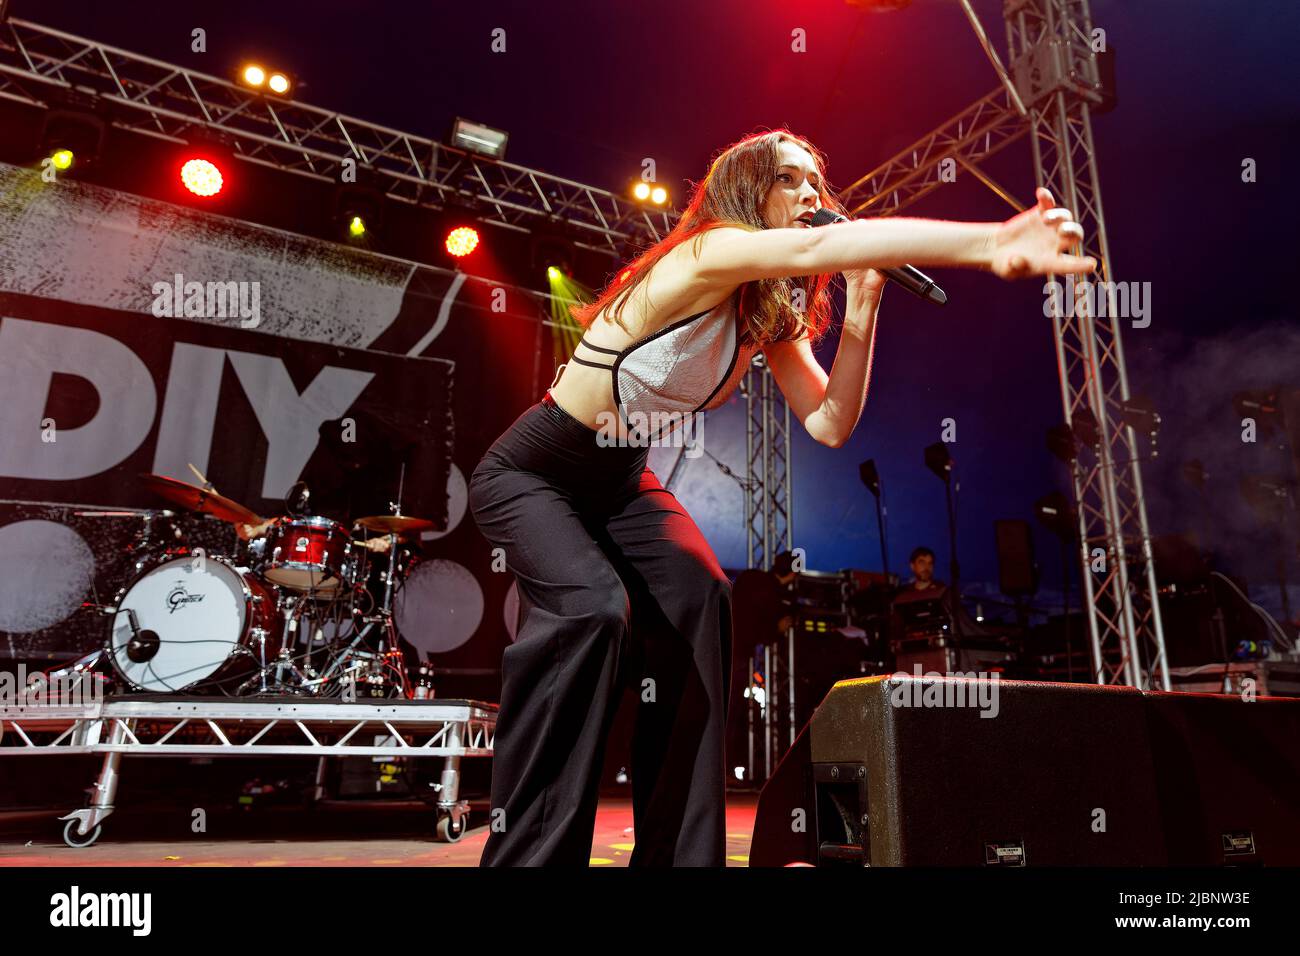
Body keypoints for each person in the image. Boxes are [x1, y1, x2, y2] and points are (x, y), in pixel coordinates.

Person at [467, 128, 1094, 867]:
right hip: (535, 470)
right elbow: (808, 252)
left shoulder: (761, 313)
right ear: (747, 190)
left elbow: (829, 422)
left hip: (619, 478)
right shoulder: (709, 251)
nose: (811, 199)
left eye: (816, 186)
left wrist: (863, 301)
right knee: (595, 610)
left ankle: (678, 860)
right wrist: (993, 242)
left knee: (700, 593)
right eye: (791, 181)